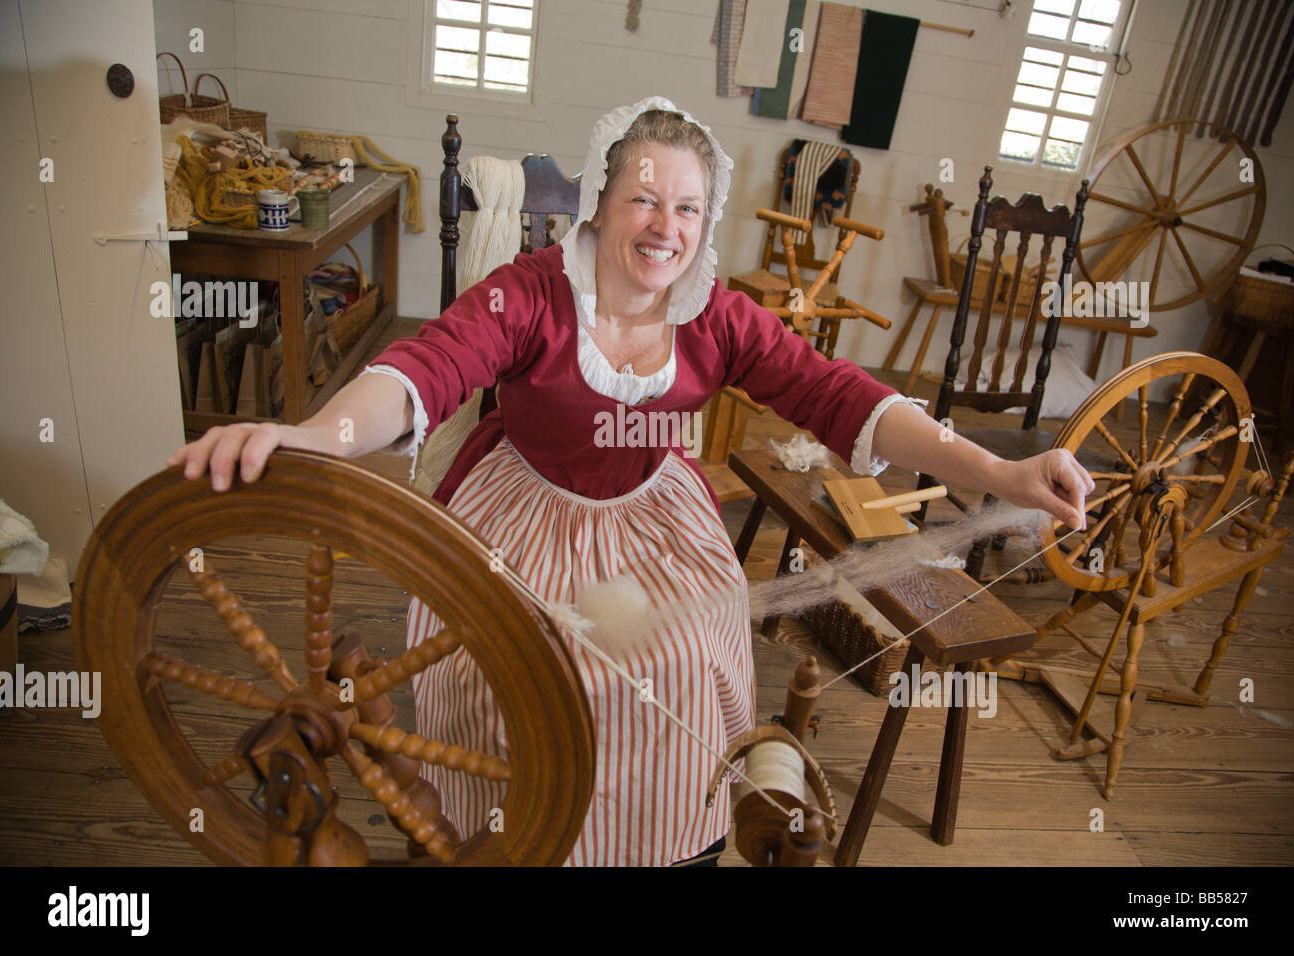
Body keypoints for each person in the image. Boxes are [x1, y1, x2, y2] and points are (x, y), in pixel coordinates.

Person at [168, 96, 1094, 866]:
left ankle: (664, 844)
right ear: (601, 204)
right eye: (646, 200)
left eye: (688, 209)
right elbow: (428, 365)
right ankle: (509, 839)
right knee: (509, 670)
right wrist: (318, 434)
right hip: (526, 510)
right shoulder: (530, 292)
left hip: (656, 517)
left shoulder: (717, 318)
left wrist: (1005, 469)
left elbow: (846, 398)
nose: (666, 227)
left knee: (687, 659)